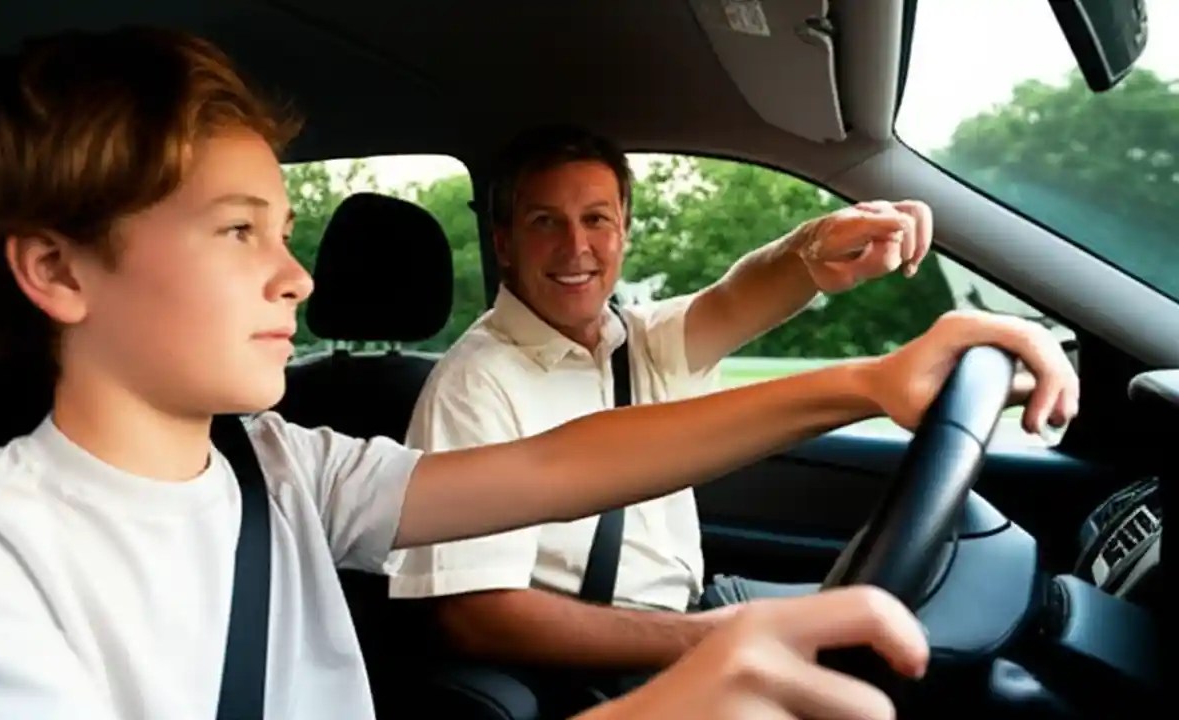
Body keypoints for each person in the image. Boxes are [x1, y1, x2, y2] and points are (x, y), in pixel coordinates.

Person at [0, 25, 1077, 720]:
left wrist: (862, 383)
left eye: (282, 230)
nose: (295, 277)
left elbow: (559, 467)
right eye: (238, 231)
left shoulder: (277, 465)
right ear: (57, 270)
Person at [383, 125, 942, 683]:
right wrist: (709, 639)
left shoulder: (640, 342)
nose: (575, 246)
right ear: (504, 244)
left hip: (685, 624)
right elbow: (474, 616)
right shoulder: (475, 383)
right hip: (599, 675)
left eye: (596, 219)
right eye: (545, 222)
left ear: (623, 231)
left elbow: (740, 295)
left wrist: (821, 242)